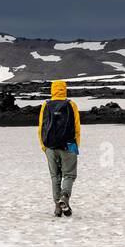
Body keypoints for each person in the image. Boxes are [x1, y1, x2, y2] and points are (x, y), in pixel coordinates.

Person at [38, 80, 81, 217]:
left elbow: (41, 127)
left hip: (50, 146)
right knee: (69, 175)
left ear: (52, 90)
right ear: (64, 89)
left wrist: (43, 146)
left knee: (55, 176)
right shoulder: (71, 104)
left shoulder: (46, 105)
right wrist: (75, 146)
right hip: (68, 145)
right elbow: (76, 127)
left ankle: (57, 207)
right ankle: (64, 198)